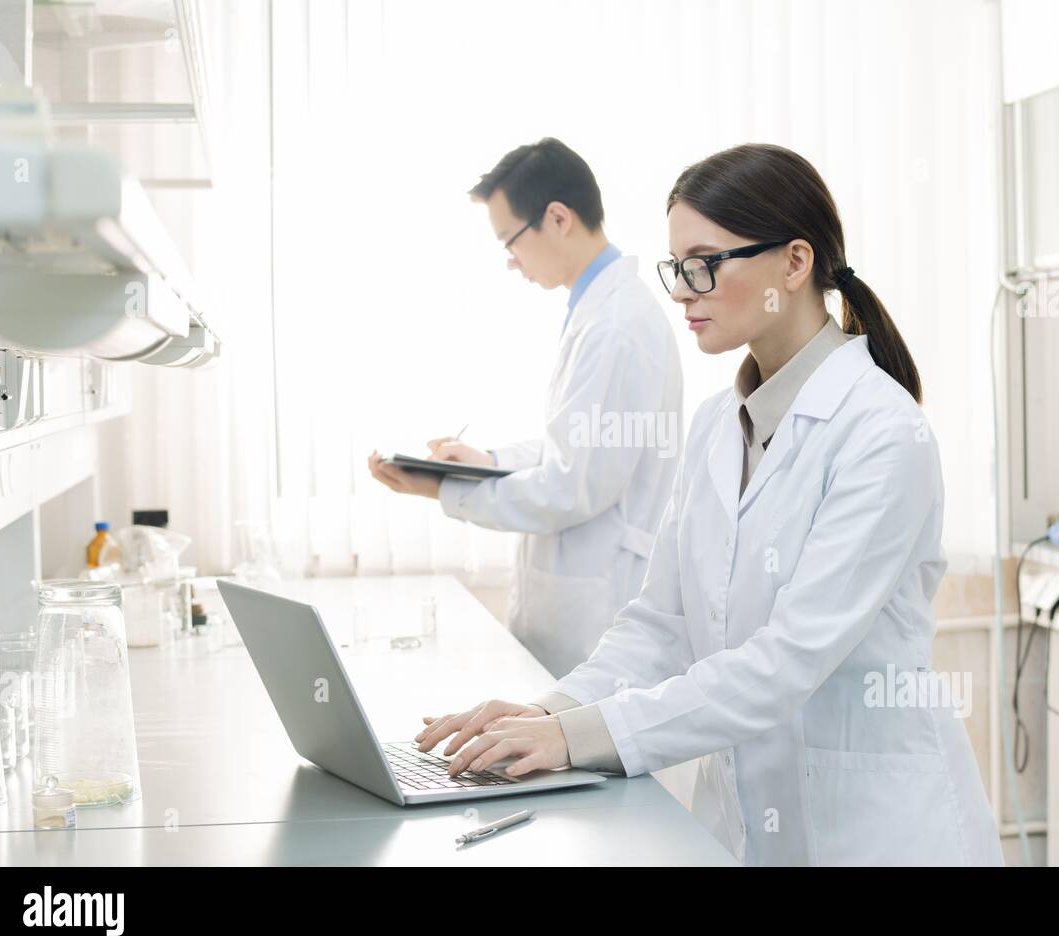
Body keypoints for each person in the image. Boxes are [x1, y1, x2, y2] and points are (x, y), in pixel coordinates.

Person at [412, 143, 1004, 866]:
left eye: (704, 263)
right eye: (675, 267)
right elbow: (661, 625)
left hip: (875, 830)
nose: (683, 291)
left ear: (793, 263)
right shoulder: (716, 426)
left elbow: (784, 662)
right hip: (745, 825)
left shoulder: (883, 434)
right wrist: (549, 713)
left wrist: (578, 737)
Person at [368, 138, 683, 679]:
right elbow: (580, 446)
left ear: (557, 217)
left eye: (509, 240)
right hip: (585, 603)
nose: (511, 262)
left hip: (600, 611)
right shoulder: (600, 312)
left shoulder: (615, 327)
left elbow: (572, 486)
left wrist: (447, 488)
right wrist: (486, 461)